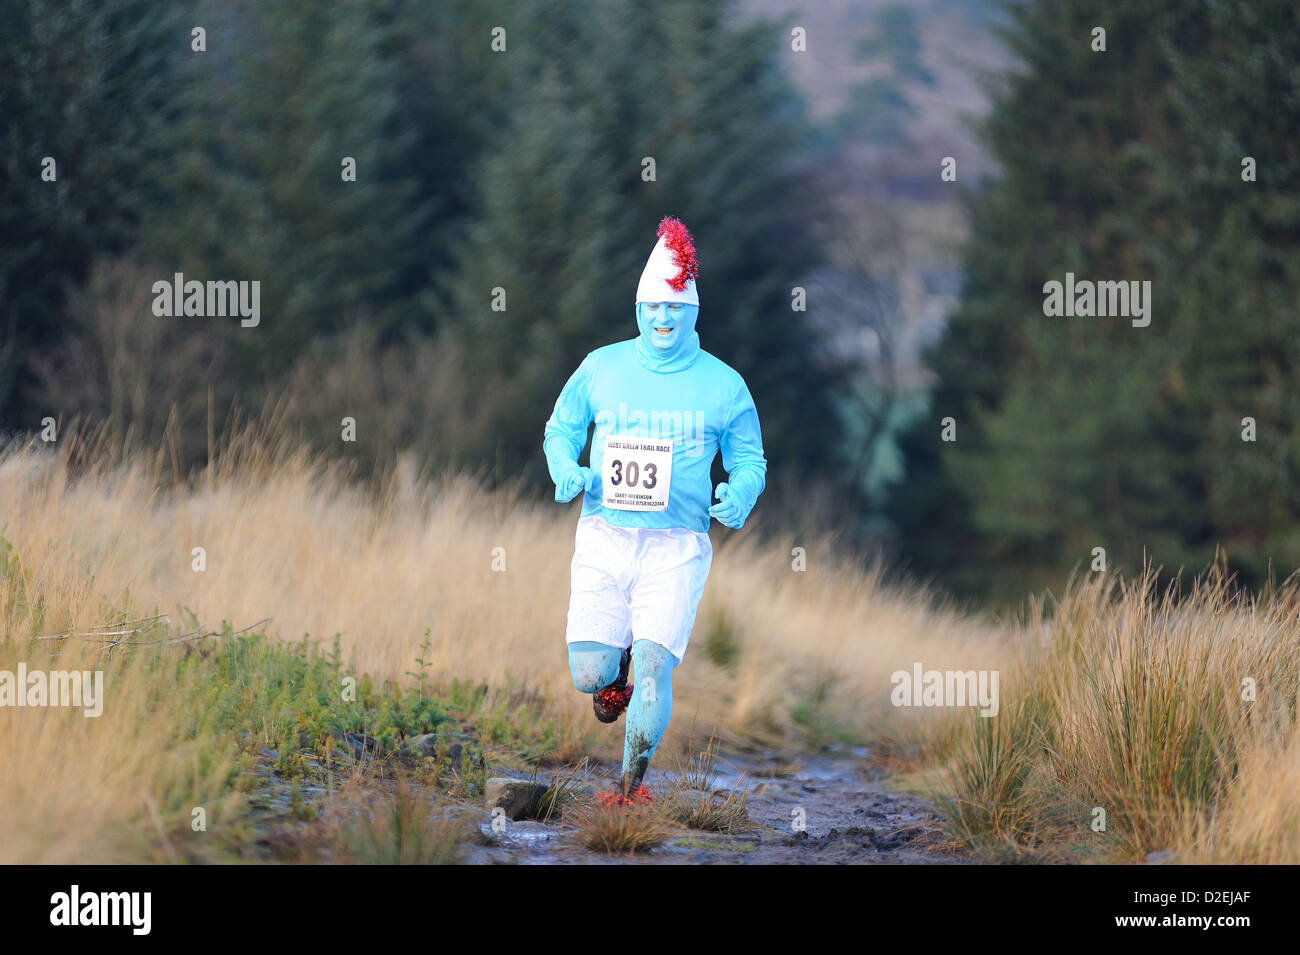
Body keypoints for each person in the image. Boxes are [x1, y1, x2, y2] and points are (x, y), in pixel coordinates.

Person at [542, 216, 767, 801]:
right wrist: (566, 469)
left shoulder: (725, 385)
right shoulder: (601, 366)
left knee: (654, 668)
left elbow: (751, 462)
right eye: (651, 308)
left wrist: (737, 494)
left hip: (676, 545)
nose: (662, 320)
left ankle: (628, 788)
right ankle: (608, 672)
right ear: (638, 309)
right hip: (604, 535)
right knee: (588, 674)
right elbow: (561, 429)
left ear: (693, 311)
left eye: (674, 308)